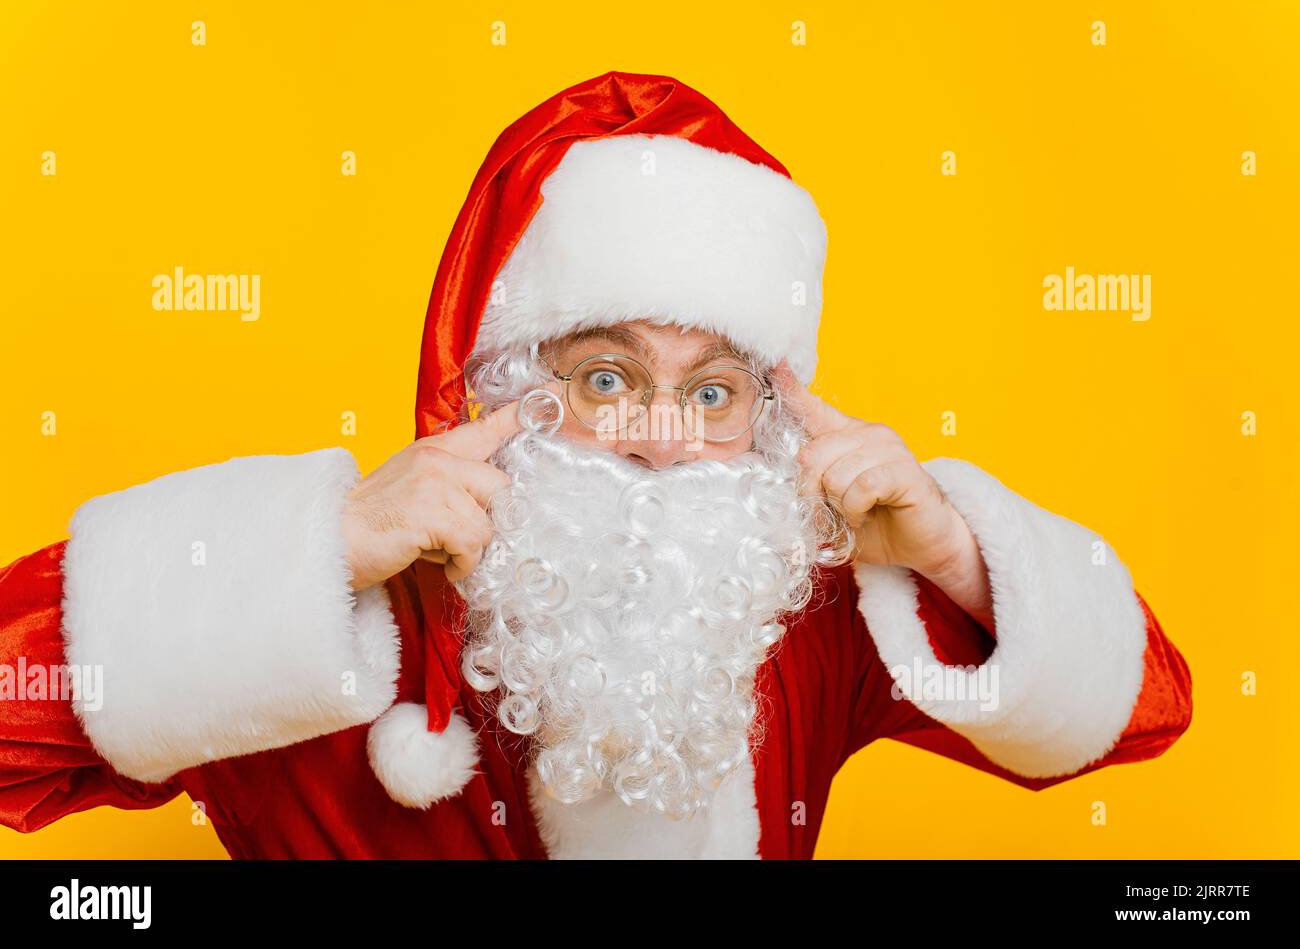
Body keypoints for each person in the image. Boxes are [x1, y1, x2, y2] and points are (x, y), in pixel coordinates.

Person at [0, 71, 1192, 859]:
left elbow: (1142, 714)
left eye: (713, 392)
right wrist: (306, 554)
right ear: (493, 383)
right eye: (606, 378)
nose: (658, 437)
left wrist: (948, 551)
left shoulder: (797, 616)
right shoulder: (319, 618)